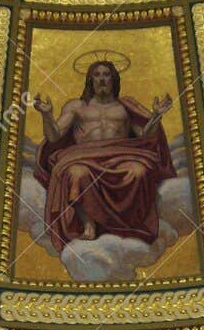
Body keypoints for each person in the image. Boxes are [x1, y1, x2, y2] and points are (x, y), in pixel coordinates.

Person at [33, 60, 174, 250]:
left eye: (106, 74)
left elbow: (145, 136)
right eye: (97, 75)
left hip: (121, 156)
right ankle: (88, 223)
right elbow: (54, 136)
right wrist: (47, 115)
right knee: (77, 174)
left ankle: (128, 225)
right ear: (90, 80)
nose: (101, 79)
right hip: (83, 156)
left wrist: (156, 115)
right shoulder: (76, 106)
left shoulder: (125, 106)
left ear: (113, 79)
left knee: (139, 171)